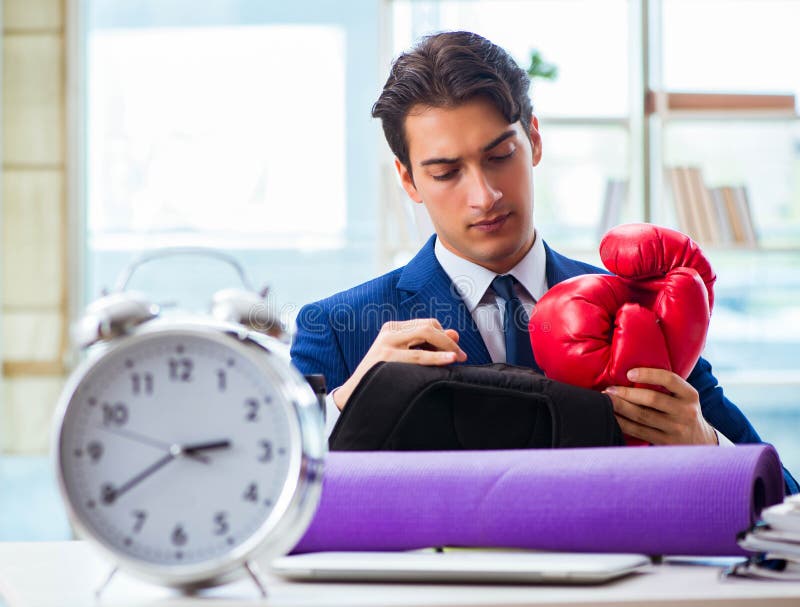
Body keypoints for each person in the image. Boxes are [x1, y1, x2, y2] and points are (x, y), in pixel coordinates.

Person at [290, 30, 798, 493]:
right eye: (446, 172)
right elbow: (273, 503)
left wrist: (705, 446)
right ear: (408, 181)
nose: (484, 195)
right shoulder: (336, 327)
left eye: (499, 155)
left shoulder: (644, 309)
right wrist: (344, 405)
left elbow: (786, 504)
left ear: (533, 139)